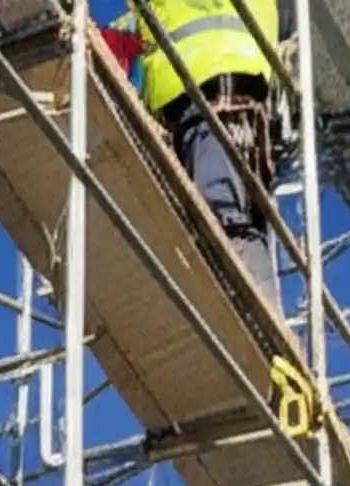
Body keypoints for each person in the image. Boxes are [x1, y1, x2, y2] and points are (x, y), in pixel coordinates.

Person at [126, 0, 295, 311]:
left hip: (217, 83)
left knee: (223, 220)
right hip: (213, 95)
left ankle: (260, 339)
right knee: (224, 224)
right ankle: (262, 335)